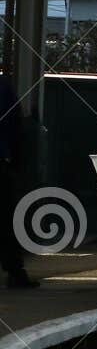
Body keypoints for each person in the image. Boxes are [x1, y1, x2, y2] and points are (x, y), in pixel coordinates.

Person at [0, 73, 38, 289]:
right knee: (6, 220)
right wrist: (15, 163)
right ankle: (15, 271)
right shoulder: (4, 86)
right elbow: (15, 126)